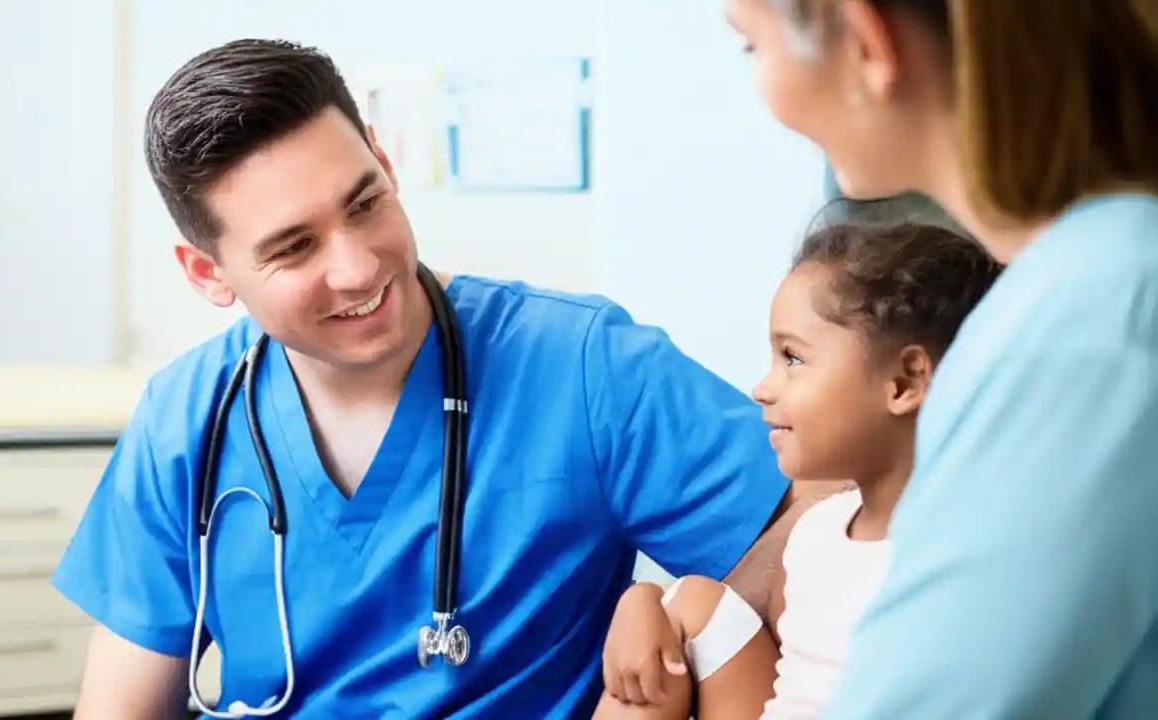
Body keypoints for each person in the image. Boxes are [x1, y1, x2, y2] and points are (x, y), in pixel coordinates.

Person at [51, 39, 805, 719]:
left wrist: (680, 612)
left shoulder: (579, 363)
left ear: (383, 159)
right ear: (209, 274)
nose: (358, 267)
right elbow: (122, 705)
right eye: (294, 248)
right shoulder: (186, 418)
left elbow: (823, 527)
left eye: (365, 202)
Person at [719, 0, 1158, 716]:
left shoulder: (1097, 318)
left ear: (867, 41)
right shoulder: (1062, 296)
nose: (764, 93)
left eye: (752, 48)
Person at [591, 220, 1003, 719]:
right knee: (682, 606)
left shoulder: (964, 558)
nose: (762, 389)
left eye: (792, 357)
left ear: (904, 381)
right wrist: (643, 600)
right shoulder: (818, 535)